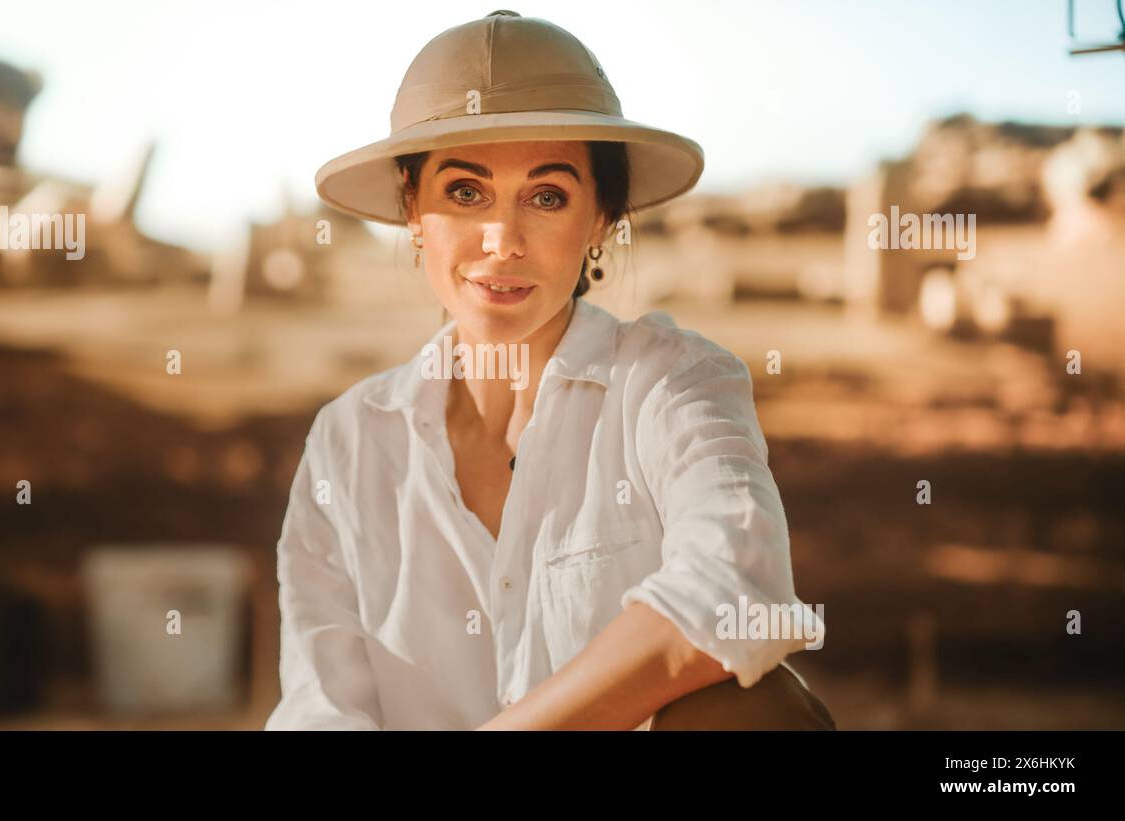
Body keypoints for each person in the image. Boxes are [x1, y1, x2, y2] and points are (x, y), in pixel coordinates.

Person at [265, 10, 833, 730]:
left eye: (547, 196)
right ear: (413, 208)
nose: (503, 242)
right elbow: (320, 711)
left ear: (600, 218)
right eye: (465, 193)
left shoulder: (673, 384)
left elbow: (736, 593)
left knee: (760, 711)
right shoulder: (347, 443)